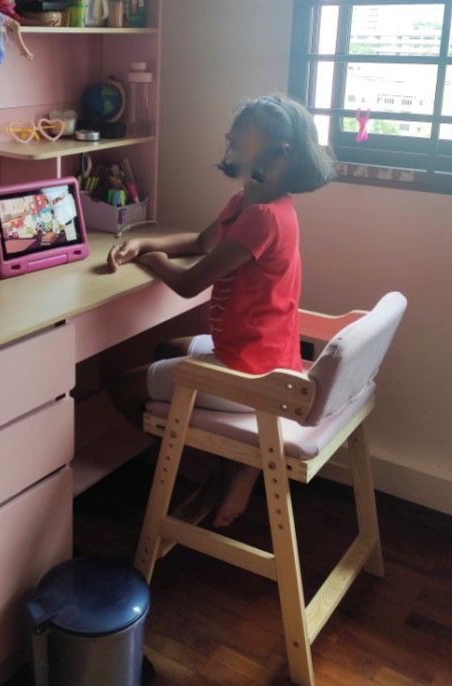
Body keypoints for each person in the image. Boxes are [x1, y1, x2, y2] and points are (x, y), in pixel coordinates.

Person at [107, 94, 335, 528]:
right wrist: (144, 243)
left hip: (247, 371)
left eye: (240, 141)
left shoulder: (263, 217)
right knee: (164, 348)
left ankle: (224, 466)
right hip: (266, 354)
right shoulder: (248, 202)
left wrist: (155, 263)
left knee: (120, 388)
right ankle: (230, 465)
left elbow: (190, 283)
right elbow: (201, 242)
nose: (230, 146)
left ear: (278, 153)